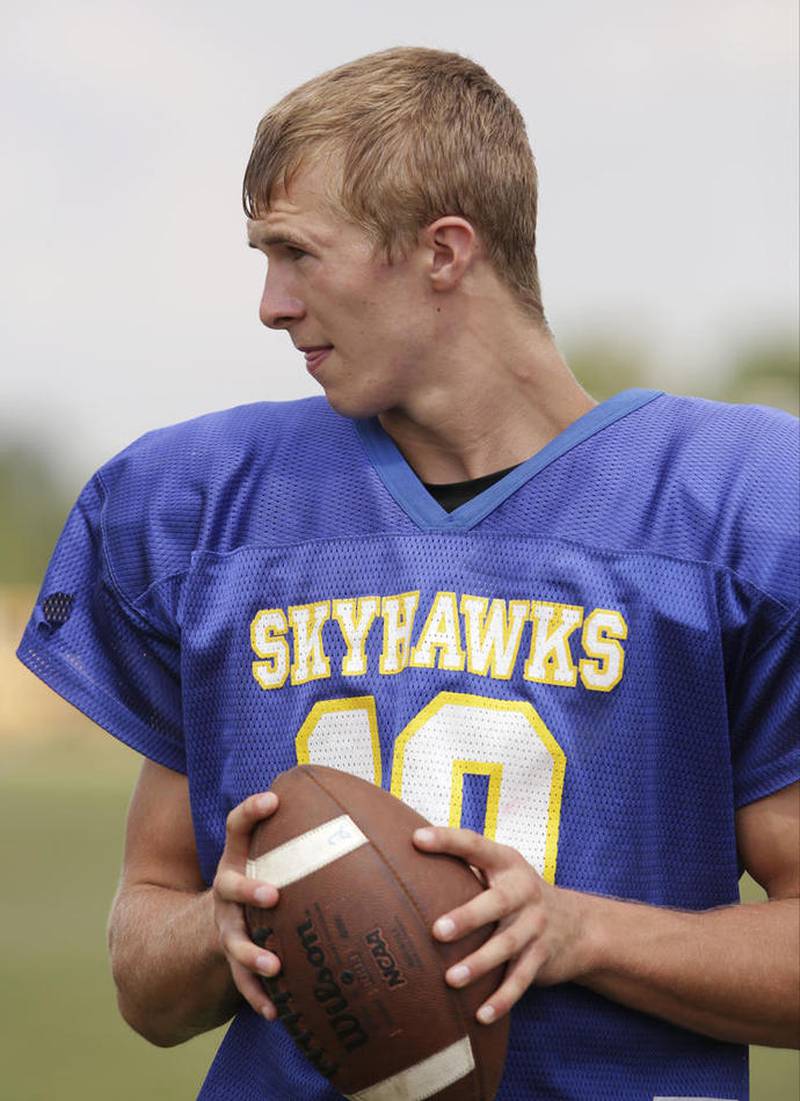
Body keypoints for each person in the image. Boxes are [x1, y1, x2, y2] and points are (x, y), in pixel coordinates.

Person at [17, 46, 799, 1100]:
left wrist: (580, 933)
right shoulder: (206, 505)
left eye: (297, 253)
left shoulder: (729, 505)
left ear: (442, 252)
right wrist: (229, 922)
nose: (270, 304)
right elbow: (145, 984)